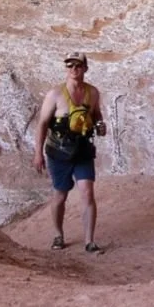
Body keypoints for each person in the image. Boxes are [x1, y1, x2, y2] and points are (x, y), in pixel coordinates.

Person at [32, 51, 107, 252]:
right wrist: (38, 153)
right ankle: (58, 235)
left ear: (85, 68)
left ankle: (89, 241)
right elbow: (42, 124)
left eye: (78, 65)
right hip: (59, 152)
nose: (74, 69)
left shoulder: (93, 93)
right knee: (60, 195)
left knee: (87, 193)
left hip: (82, 151)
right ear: (66, 68)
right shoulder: (55, 94)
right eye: (70, 65)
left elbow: (97, 114)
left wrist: (100, 125)